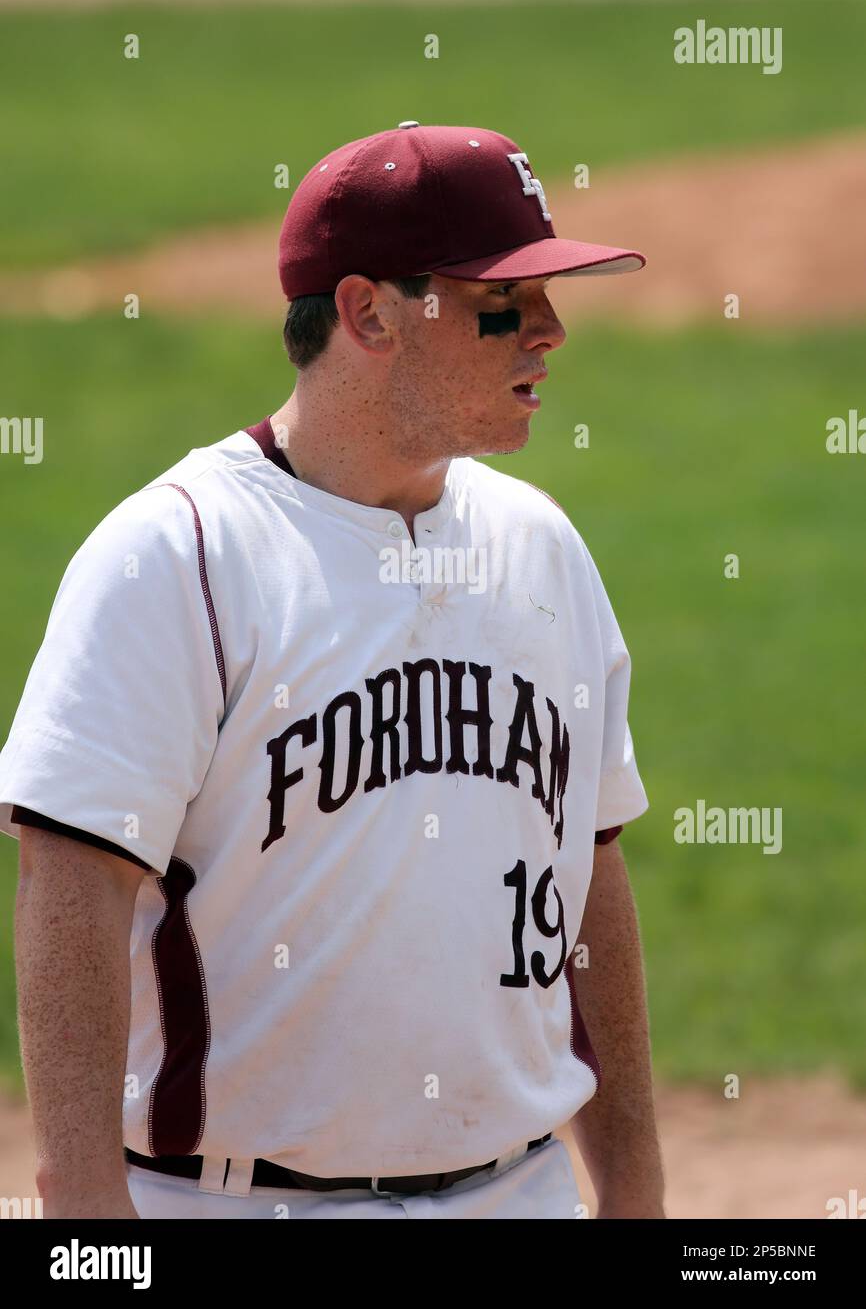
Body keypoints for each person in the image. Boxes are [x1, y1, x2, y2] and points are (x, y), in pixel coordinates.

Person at [0, 122, 665, 1219]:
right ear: (366, 313)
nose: (546, 332)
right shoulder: (180, 554)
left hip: (518, 1190)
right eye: (501, 301)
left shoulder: (540, 546)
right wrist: (84, 1211)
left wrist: (634, 1188)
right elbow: (71, 883)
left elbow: (591, 882)